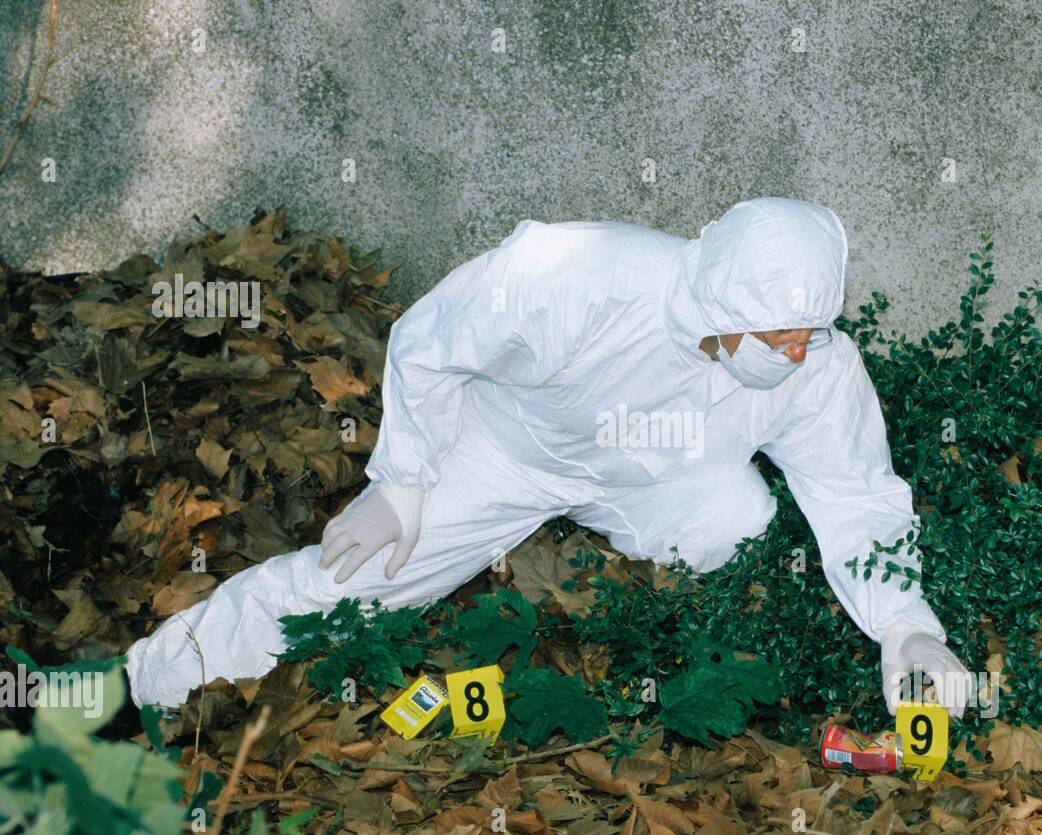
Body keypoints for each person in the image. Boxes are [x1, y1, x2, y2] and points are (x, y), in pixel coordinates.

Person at [126, 197, 970, 718]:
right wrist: (404, 478)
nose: (795, 353)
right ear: (721, 304)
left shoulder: (819, 366)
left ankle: (638, 605)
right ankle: (149, 680)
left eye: (807, 333)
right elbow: (428, 339)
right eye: (777, 334)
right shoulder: (582, 275)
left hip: (656, 477)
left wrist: (906, 624)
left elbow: (854, 490)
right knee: (353, 576)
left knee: (744, 517)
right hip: (509, 448)